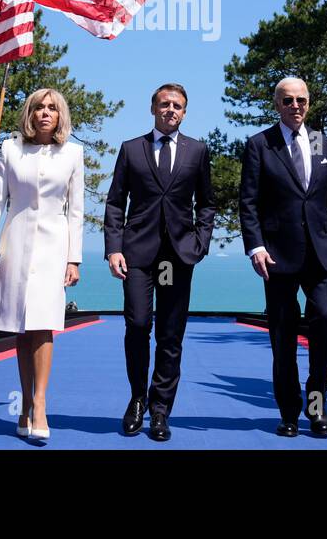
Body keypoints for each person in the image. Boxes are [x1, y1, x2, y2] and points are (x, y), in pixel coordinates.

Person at [239, 76, 327, 437]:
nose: (295, 106)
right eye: (288, 100)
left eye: (301, 100)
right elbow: (249, 202)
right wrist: (255, 246)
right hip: (277, 257)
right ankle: (289, 412)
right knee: (283, 336)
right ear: (277, 104)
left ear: (309, 103)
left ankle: (316, 407)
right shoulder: (260, 144)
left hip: (320, 255)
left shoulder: (325, 143)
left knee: (324, 322)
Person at [103, 82, 216, 442]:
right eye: (165, 104)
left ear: (184, 112)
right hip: (137, 253)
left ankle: (160, 410)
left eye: (178, 106)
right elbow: (115, 203)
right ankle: (137, 398)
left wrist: (200, 242)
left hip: (178, 255)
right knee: (137, 324)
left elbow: (207, 203)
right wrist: (113, 248)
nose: (171, 110)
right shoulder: (130, 149)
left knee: (170, 334)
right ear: (153, 108)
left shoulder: (197, 151)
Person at [0, 88, 84, 443]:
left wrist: (74, 258)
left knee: (45, 325)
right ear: (30, 113)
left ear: (60, 115)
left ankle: (39, 405)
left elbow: (77, 212)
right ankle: (23, 404)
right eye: (39, 107)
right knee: (22, 327)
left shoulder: (74, 153)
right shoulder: (9, 149)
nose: (45, 113)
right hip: (16, 244)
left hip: (55, 247)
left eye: (52, 108)